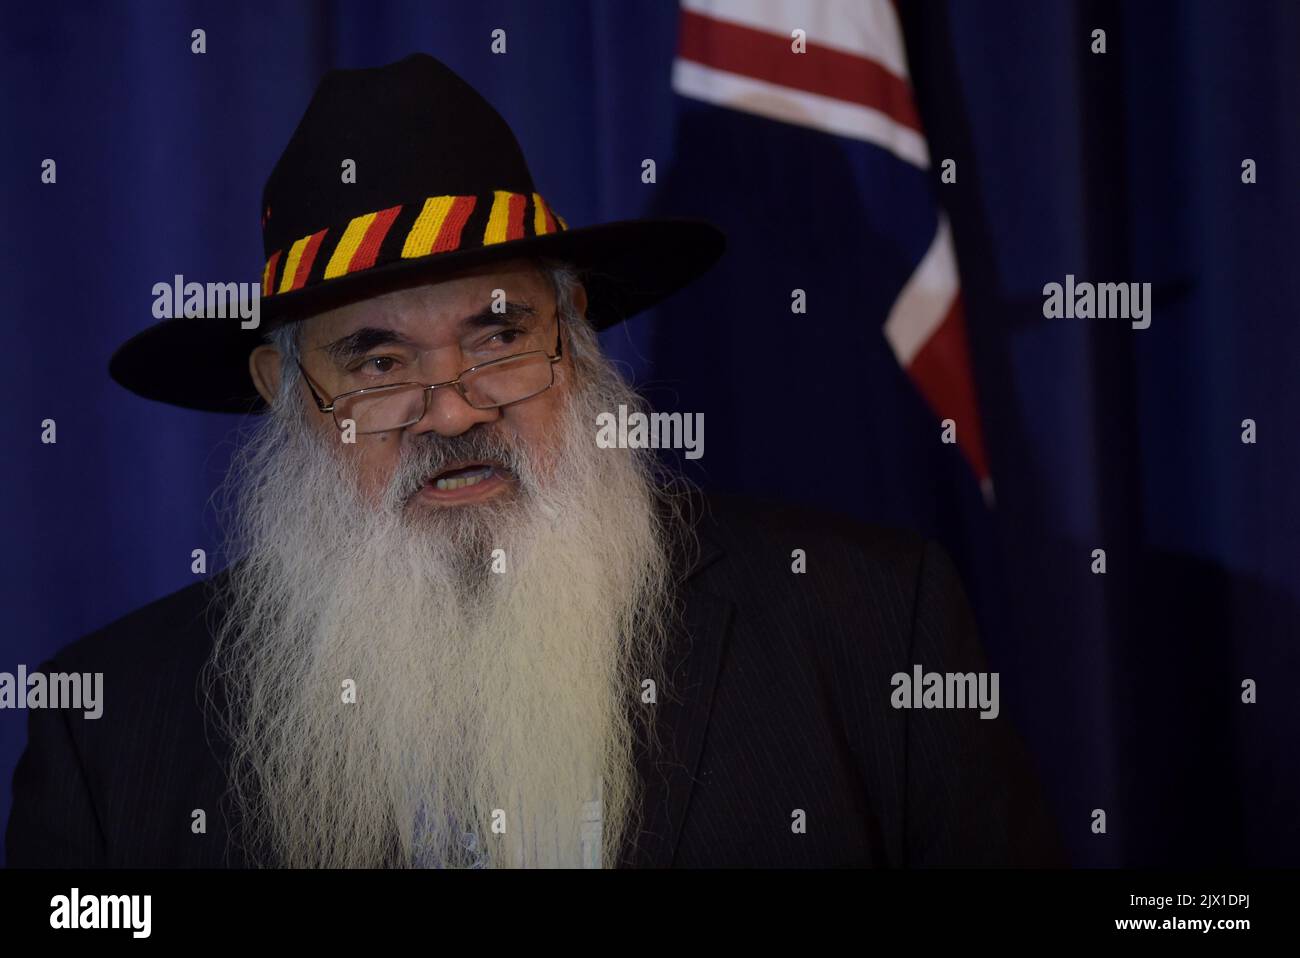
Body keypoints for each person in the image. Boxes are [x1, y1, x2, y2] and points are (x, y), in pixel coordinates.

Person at [6, 53, 1062, 869]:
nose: (454, 406)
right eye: (376, 361)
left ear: (577, 338)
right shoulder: (111, 722)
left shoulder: (870, 619)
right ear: (288, 395)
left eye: (501, 333)